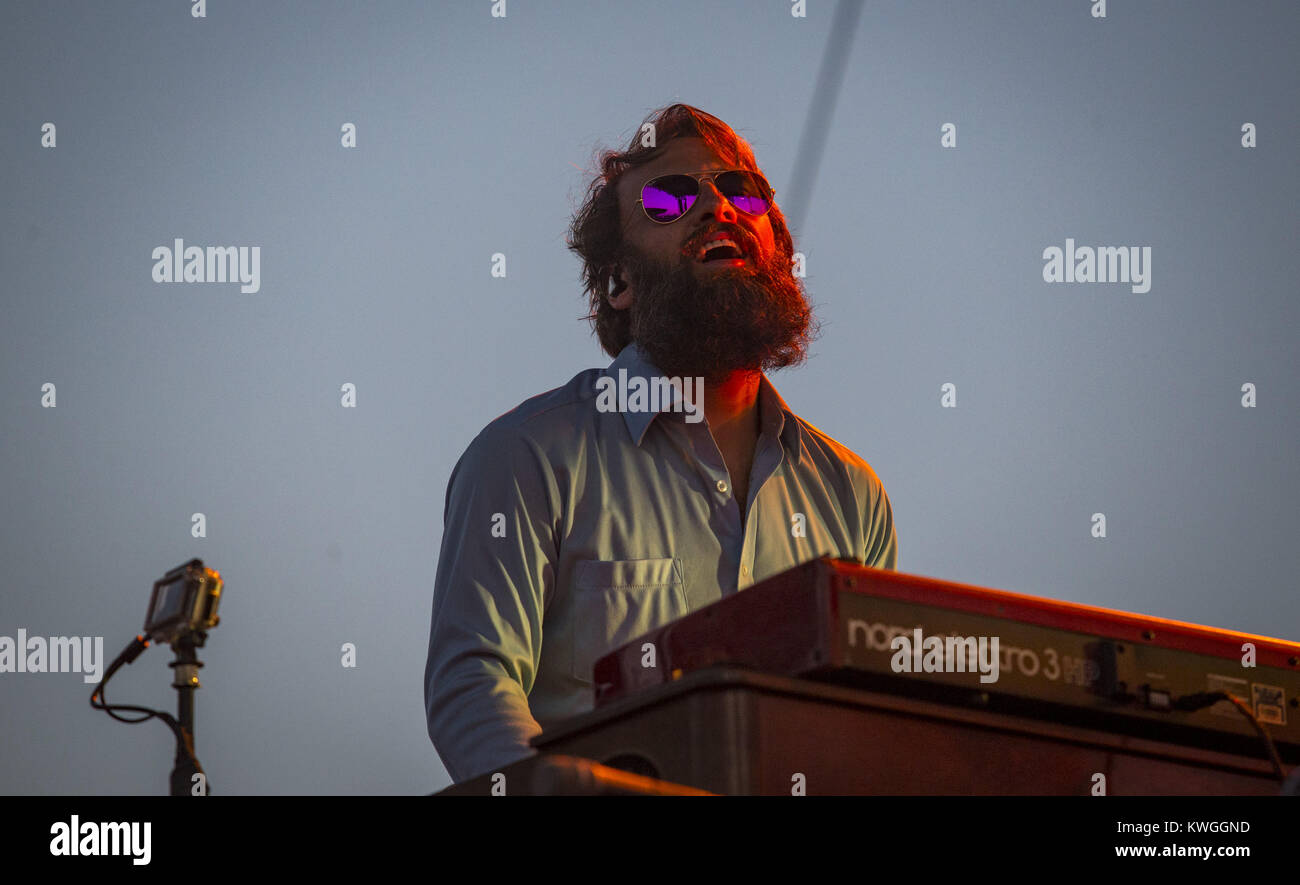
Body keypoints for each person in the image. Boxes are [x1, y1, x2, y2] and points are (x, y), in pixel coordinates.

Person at [423, 103, 898, 783]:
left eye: (741, 191)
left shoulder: (854, 496)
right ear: (617, 282)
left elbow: (873, 728)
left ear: (782, 254)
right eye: (668, 199)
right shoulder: (527, 456)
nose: (714, 206)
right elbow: (473, 684)